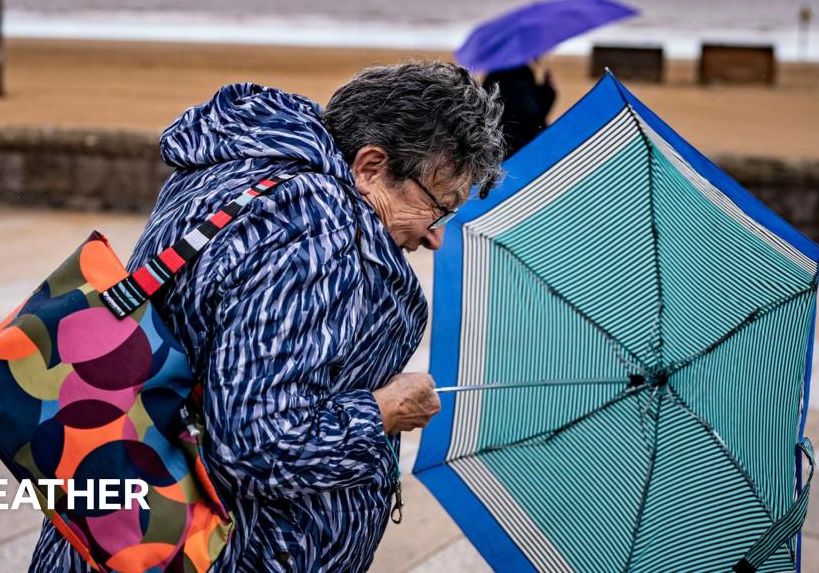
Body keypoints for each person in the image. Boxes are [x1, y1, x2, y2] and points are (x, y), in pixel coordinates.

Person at [29, 61, 505, 572]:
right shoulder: (313, 229)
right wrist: (384, 410)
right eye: (439, 207)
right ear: (370, 166)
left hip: (117, 529)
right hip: (210, 552)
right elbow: (258, 446)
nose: (436, 235)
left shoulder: (249, 165)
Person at [482, 56, 556, 159]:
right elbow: (533, 113)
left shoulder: (494, 74)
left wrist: (547, 90)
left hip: (500, 144)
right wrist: (548, 91)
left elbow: (485, 109)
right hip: (520, 143)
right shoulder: (521, 75)